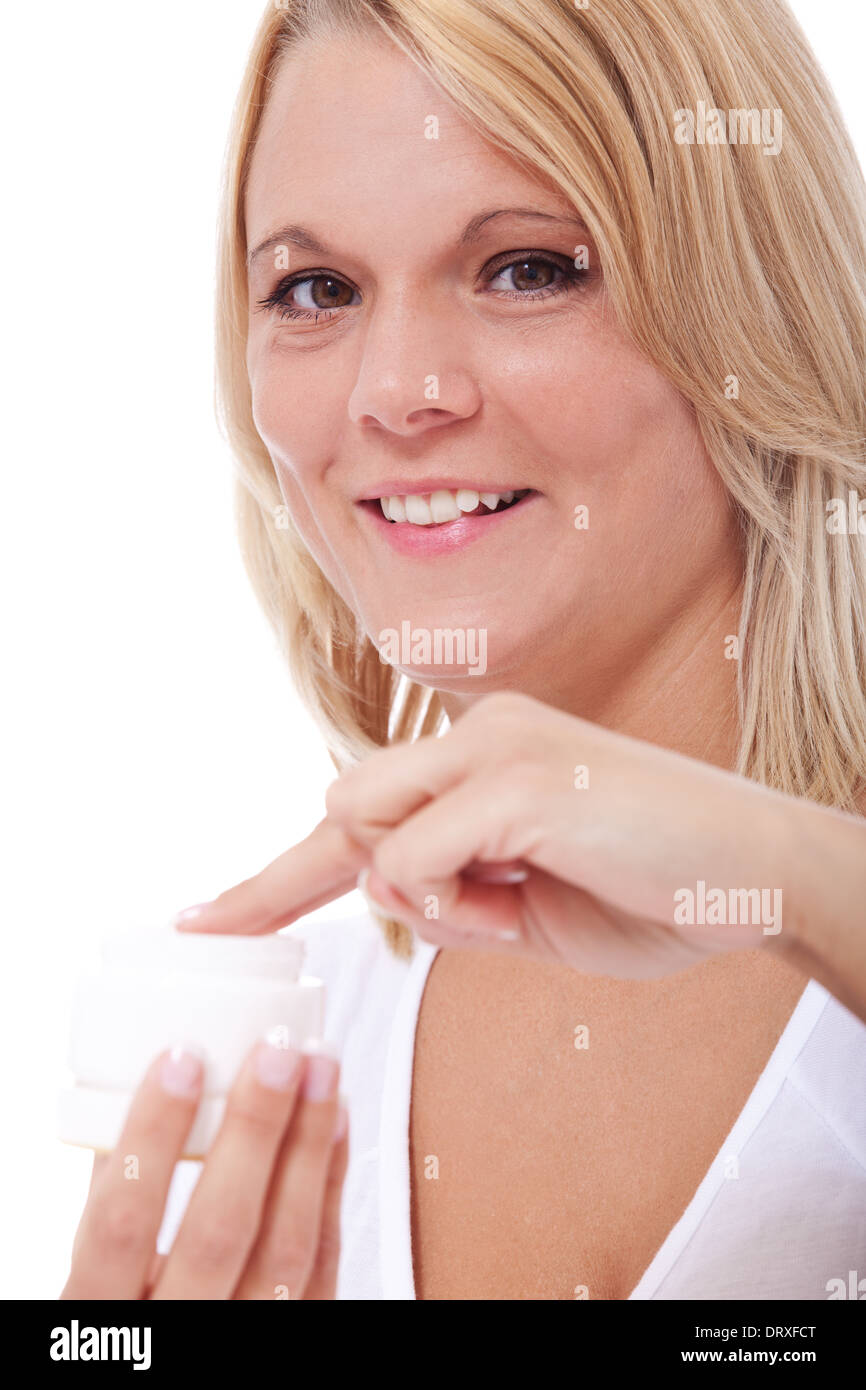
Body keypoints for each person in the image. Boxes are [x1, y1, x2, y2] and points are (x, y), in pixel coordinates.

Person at [62, 0, 866, 1300]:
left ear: (749, 301)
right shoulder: (290, 1043)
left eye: (526, 269)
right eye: (315, 290)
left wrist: (779, 869)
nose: (396, 389)